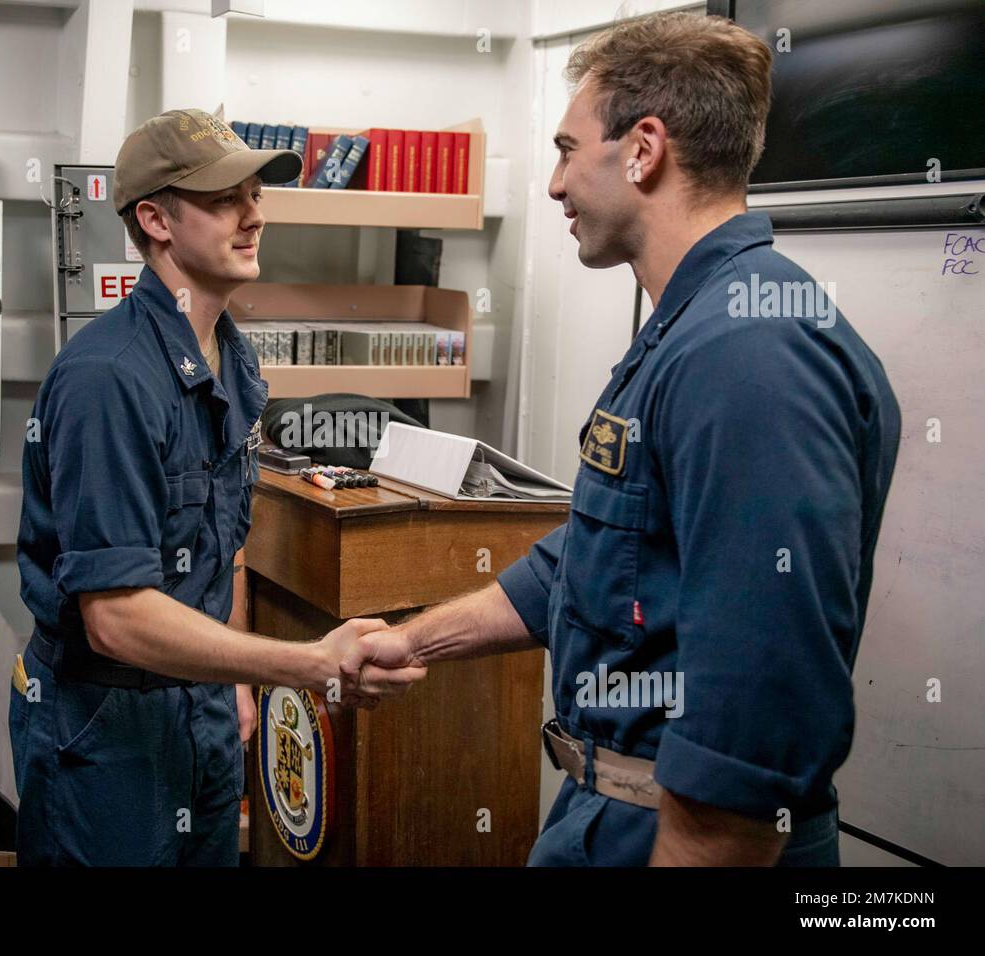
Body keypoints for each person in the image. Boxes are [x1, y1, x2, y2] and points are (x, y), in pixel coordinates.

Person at [341, 12, 901, 866]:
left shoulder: (750, 351)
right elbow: (600, 560)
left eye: (568, 150)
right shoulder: (693, 329)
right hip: (604, 815)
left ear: (643, 149)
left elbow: (746, 738)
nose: (556, 185)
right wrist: (414, 641)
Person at [11, 109, 424, 867]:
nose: (253, 214)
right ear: (155, 220)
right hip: (108, 712)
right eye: (224, 197)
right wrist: (307, 665)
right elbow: (118, 619)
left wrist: (230, 677)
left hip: (198, 698)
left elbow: (224, 543)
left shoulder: (234, 361)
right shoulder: (109, 380)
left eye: (256, 194)